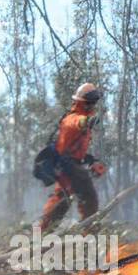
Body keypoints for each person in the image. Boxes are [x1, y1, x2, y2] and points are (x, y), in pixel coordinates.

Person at [39, 83, 106, 231]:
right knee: (87, 197)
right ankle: (89, 231)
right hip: (66, 165)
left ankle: (43, 233)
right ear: (83, 102)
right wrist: (86, 121)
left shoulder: (85, 119)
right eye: (91, 102)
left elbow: (77, 150)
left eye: (94, 102)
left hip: (71, 165)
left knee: (61, 202)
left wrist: (91, 161)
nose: (93, 105)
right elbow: (75, 123)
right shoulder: (73, 118)